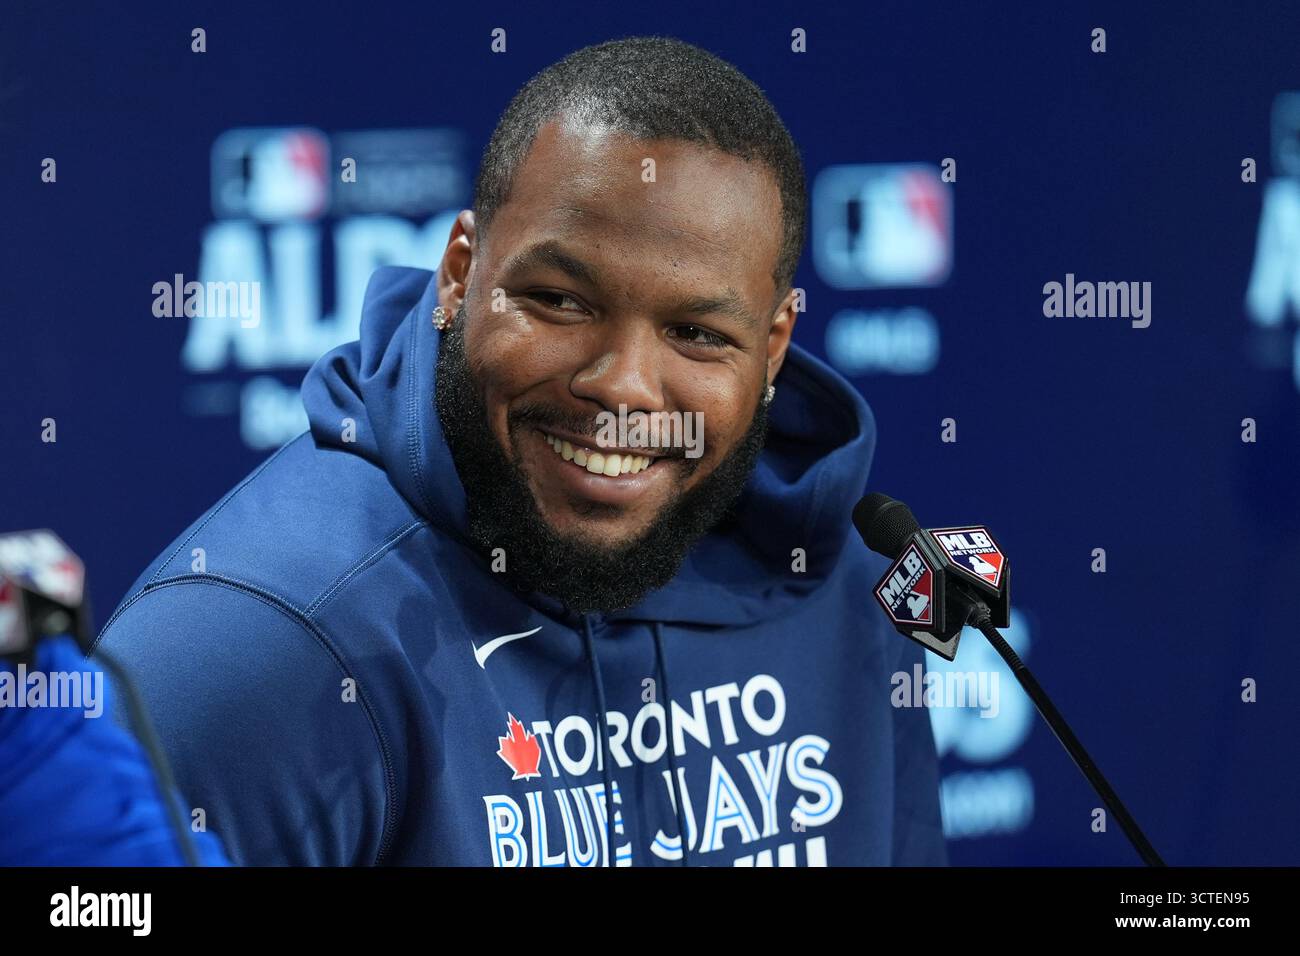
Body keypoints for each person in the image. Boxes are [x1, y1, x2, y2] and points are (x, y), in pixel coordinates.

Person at [94, 35, 947, 866]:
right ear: (461, 276)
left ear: (773, 347)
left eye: (695, 332)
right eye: (560, 301)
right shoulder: (251, 647)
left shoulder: (842, 579)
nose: (625, 387)